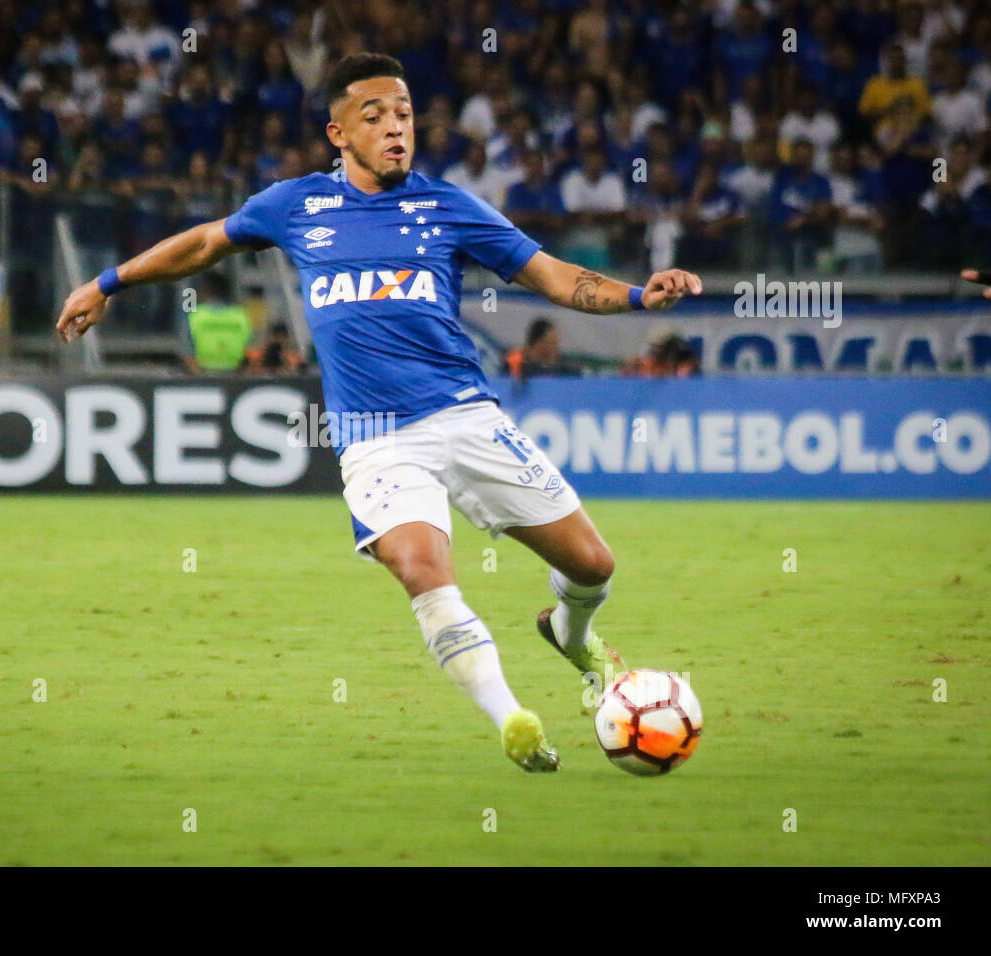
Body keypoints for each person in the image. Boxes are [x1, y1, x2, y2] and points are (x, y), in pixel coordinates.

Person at [55, 53, 702, 773]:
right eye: (376, 117)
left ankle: (573, 635)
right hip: (374, 440)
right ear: (338, 133)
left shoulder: (448, 206)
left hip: (466, 418)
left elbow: (554, 276)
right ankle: (510, 716)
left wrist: (643, 296)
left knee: (593, 566)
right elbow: (207, 242)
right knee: (425, 569)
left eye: (405, 116)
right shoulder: (296, 205)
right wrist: (108, 282)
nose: (396, 129)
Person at [504, 318, 583, 379]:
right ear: (536, 344)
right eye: (551, 343)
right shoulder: (513, 364)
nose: (555, 349)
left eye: (556, 344)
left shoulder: (566, 369)